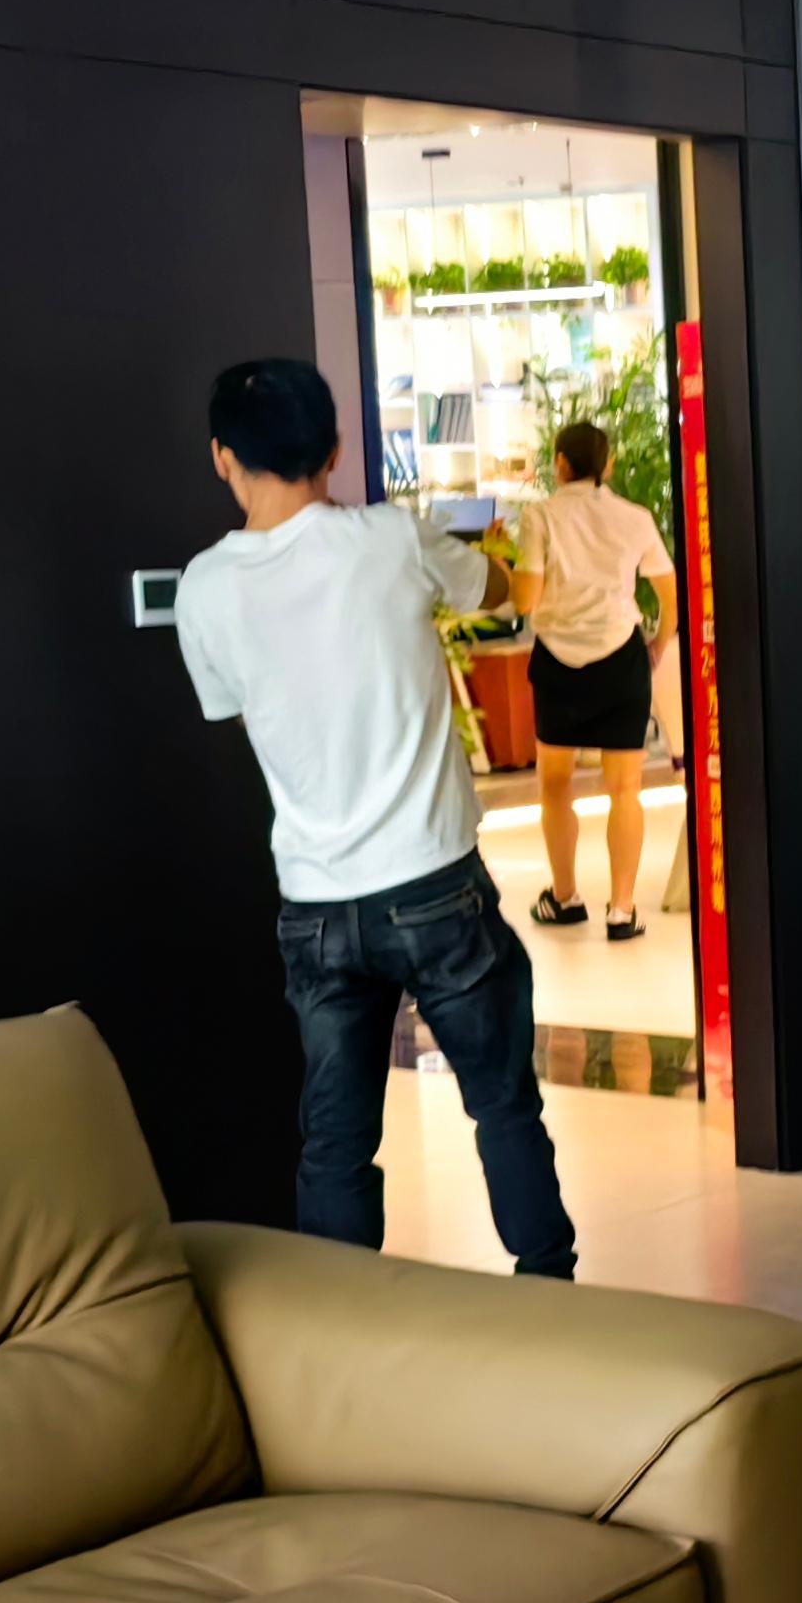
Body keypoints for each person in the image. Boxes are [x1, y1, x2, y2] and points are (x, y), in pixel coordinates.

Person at [173, 359, 578, 1280]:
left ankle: (338, 1328)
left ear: (223, 457)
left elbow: (238, 713)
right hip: (434, 886)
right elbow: (496, 593)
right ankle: (551, 1297)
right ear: (334, 449)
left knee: (336, 1139)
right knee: (503, 1107)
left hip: (316, 905)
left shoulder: (204, 589)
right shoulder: (394, 539)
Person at [506, 420, 673, 941]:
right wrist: (659, 642)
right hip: (621, 657)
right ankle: (622, 911)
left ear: (560, 463)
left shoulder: (540, 516)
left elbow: (525, 601)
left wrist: (503, 568)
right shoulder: (634, 517)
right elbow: (669, 591)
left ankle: (564, 898)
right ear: (609, 465)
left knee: (555, 784)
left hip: (558, 662)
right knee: (625, 789)